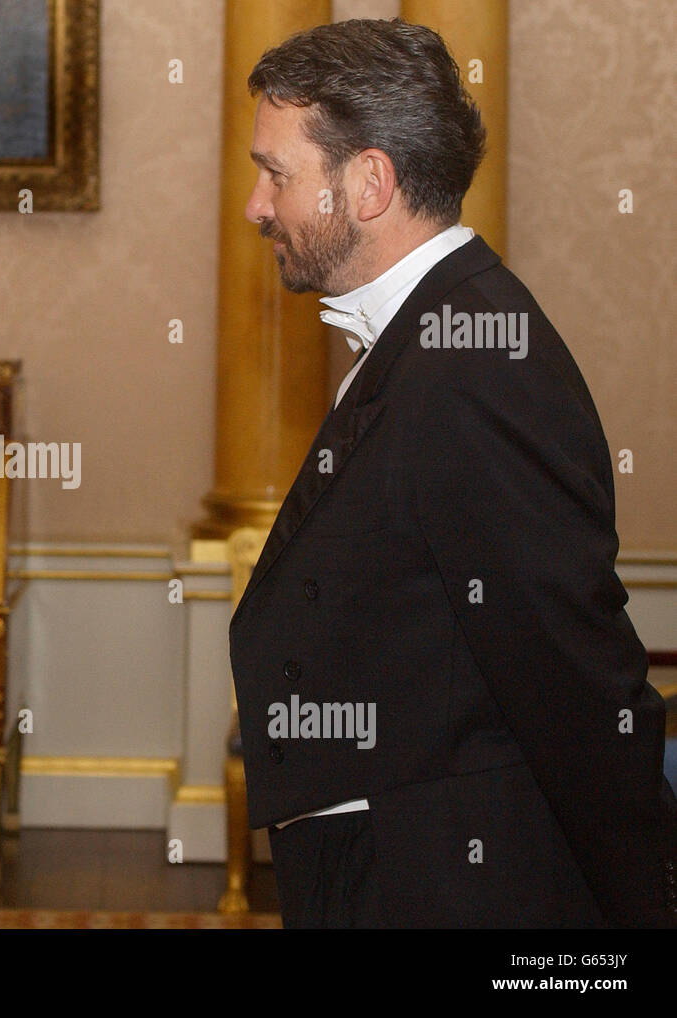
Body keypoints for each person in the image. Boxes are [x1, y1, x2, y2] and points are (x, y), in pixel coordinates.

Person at [228, 19, 677, 928]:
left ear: (369, 183)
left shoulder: (478, 366)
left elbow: (574, 679)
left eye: (276, 172)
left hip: (446, 881)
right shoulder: (431, 332)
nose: (255, 204)